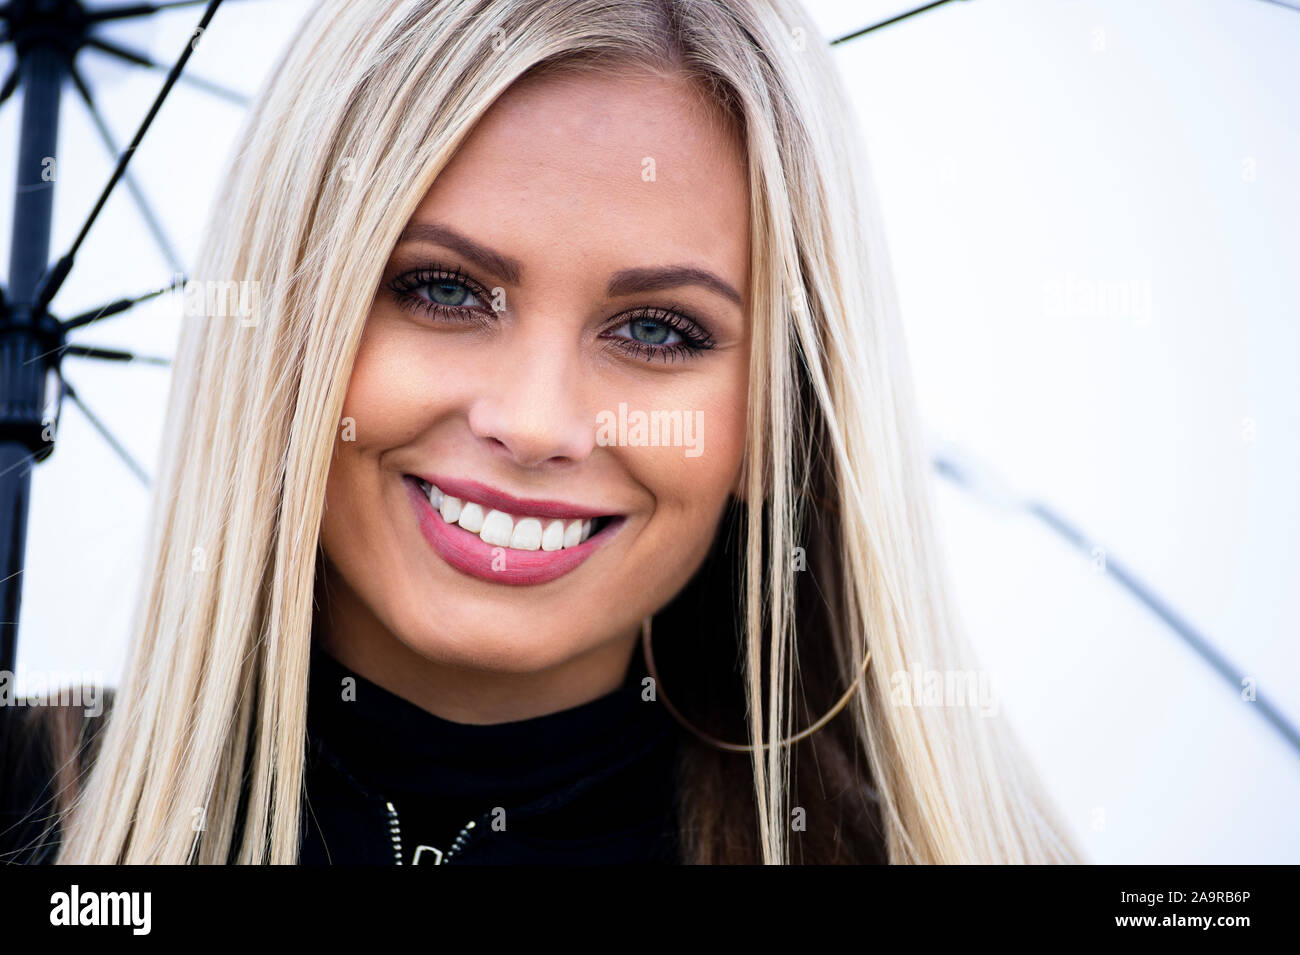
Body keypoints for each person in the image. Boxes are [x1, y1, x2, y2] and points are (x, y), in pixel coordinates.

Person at [2, 0, 1078, 865]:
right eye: (441, 289)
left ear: (771, 419)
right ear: (289, 322)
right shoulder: (28, 810)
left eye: (658, 329)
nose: (533, 422)